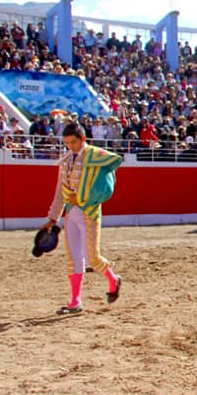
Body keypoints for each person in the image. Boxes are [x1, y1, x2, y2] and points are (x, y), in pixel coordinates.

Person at [42, 122, 125, 315]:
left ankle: (114, 280)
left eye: (73, 142)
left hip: (90, 211)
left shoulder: (95, 156)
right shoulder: (66, 161)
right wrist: (53, 218)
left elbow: (112, 167)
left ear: (83, 139)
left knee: (93, 258)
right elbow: (59, 193)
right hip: (71, 214)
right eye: (67, 143)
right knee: (74, 259)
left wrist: (82, 197)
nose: (70, 147)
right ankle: (75, 302)